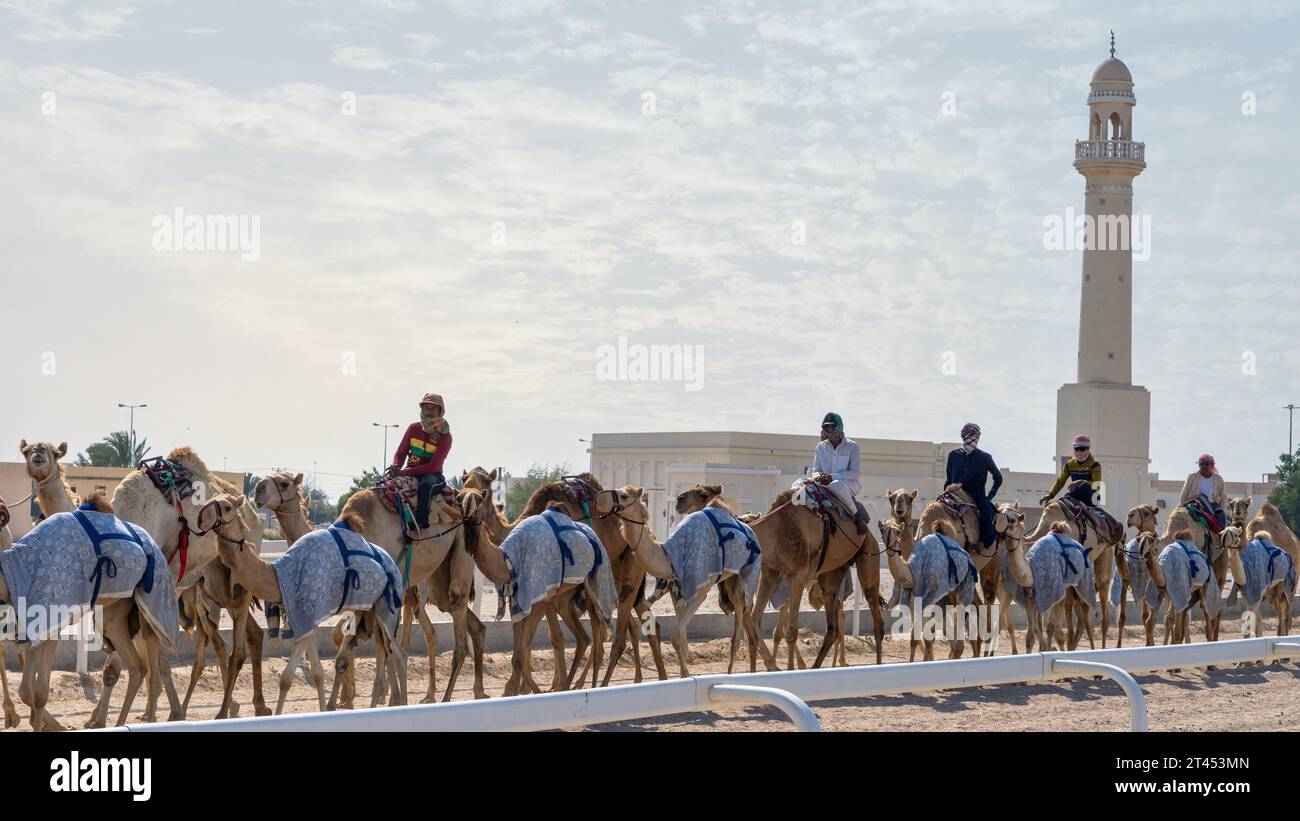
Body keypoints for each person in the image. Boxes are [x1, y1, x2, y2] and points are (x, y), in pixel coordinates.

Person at [388, 393, 453, 529]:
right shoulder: (413, 428)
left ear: (440, 411)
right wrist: (395, 467)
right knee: (386, 485)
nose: (428, 411)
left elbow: (432, 466)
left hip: (433, 475)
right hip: (409, 472)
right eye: (425, 407)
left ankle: (420, 525)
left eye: (432, 408)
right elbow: (400, 454)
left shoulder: (445, 437)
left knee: (425, 486)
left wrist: (403, 471)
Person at [808, 411, 871, 535]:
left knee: (836, 484)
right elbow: (815, 470)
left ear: (839, 427)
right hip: (824, 484)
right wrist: (818, 477)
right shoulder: (820, 447)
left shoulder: (853, 447)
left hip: (848, 485)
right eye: (827, 427)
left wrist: (832, 477)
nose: (829, 430)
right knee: (799, 483)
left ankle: (857, 516)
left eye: (832, 426)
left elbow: (854, 473)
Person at [944, 422, 1002, 549]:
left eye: (973, 435)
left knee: (987, 518)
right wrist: (944, 495)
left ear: (978, 437)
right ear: (962, 435)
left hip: (976, 497)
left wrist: (988, 497)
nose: (970, 437)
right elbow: (948, 479)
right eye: (968, 434)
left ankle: (984, 547)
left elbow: (998, 478)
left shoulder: (985, 457)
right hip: (954, 496)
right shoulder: (953, 455)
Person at [1040, 434, 1102, 508]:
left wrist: (1080, 482)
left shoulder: (1095, 464)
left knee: (1082, 487)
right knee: (1065, 498)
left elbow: (1097, 485)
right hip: (1077, 496)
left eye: (1082, 449)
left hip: (1092, 497)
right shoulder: (1069, 464)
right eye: (1076, 449)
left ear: (1088, 449)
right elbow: (1060, 481)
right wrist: (1050, 495)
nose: (1079, 452)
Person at [1179, 453, 1227, 528]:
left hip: (1213, 505)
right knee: (1201, 496)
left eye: (1206, 464)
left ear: (1211, 465)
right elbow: (1184, 493)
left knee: (1222, 520)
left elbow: (1223, 497)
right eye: (1201, 464)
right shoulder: (1192, 477)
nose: (1203, 466)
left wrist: (1222, 510)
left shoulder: (1219, 479)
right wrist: (1181, 507)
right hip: (1195, 503)